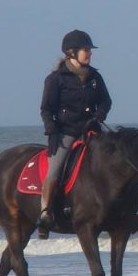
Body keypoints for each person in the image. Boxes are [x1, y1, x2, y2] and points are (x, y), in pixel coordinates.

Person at [37, 29, 112, 238]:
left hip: (92, 131)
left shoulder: (95, 77)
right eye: (85, 50)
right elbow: (46, 109)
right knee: (55, 170)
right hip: (66, 133)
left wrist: (99, 115)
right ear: (71, 52)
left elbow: (106, 101)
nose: (89, 54)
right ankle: (45, 213)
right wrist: (52, 131)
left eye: (89, 50)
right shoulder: (56, 79)